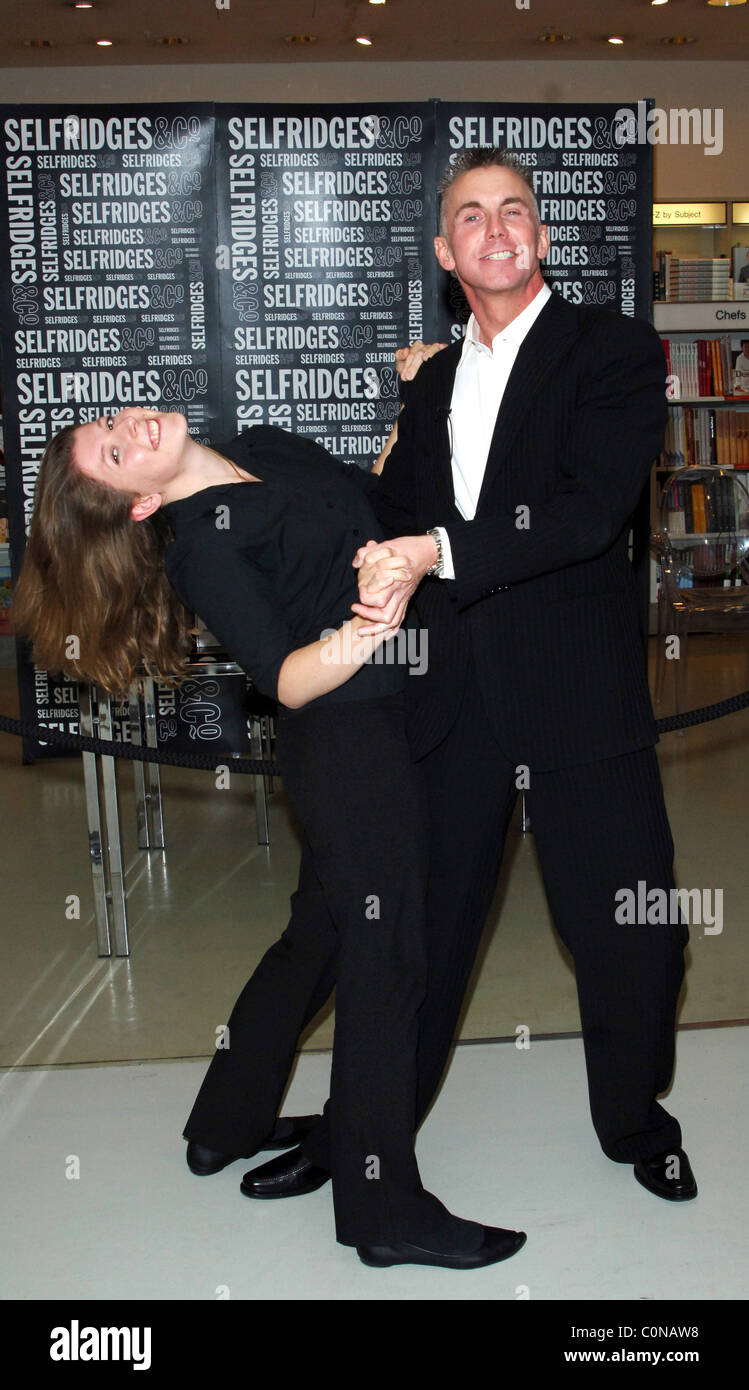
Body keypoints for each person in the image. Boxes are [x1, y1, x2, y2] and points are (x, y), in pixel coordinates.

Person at [255, 147, 696, 1206]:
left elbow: (587, 511)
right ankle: (367, 1129)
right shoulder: (436, 380)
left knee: (626, 924)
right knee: (422, 930)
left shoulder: (613, 350)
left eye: (514, 212)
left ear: (539, 238)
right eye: (471, 217)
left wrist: (433, 552)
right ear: (449, 253)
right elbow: (391, 514)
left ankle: (636, 1121)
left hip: (576, 696)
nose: (495, 228)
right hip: (449, 702)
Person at [12, 405, 528, 1270]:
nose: (132, 428)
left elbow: (364, 501)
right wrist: (370, 625)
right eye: (113, 453)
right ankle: (382, 1211)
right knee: (386, 958)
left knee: (317, 937)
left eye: (114, 422)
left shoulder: (261, 447)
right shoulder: (202, 549)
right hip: (346, 747)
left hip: (398, 720)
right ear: (137, 506)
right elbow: (287, 681)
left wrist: (410, 421)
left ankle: (227, 1122)